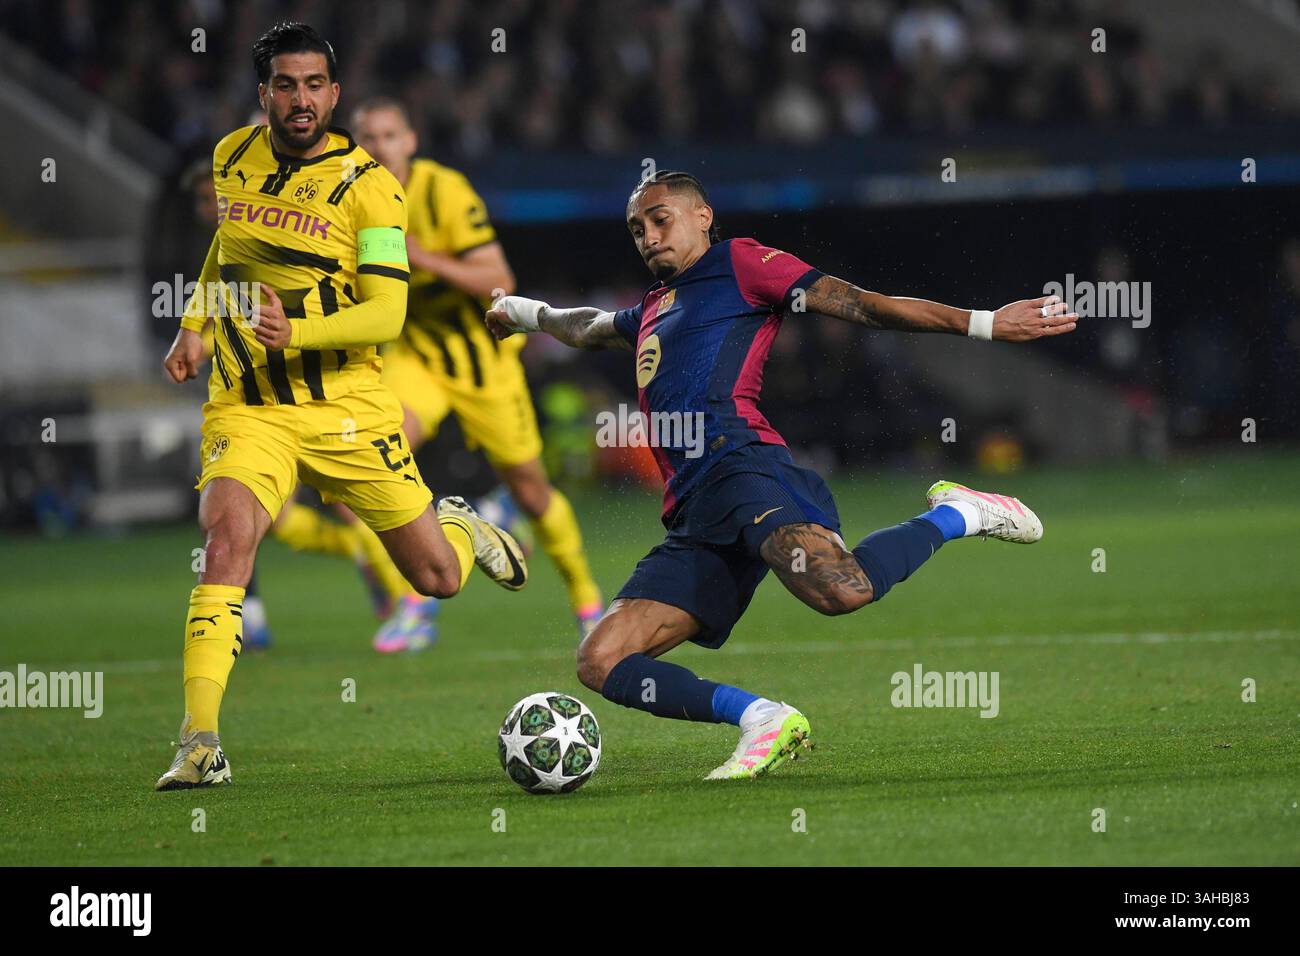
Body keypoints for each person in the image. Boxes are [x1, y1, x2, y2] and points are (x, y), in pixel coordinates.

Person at [486, 170, 1078, 780]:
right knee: (602, 659)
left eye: (661, 219)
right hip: (694, 509)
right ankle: (764, 719)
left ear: (703, 217)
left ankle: (958, 513)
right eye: (637, 228)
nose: (648, 236)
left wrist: (983, 322)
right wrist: (521, 311)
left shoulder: (741, 265)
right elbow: (584, 326)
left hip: (743, 467)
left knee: (840, 591)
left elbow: (861, 304)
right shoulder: (654, 309)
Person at [154, 22, 527, 791]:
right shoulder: (231, 157)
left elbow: (387, 314)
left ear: (334, 92)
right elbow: (227, 249)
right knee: (226, 541)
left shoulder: (371, 188)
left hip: (347, 408)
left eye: (314, 84)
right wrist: (195, 325)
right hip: (248, 403)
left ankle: (457, 522)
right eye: (285, 84)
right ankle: (199, 741)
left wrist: (299, 331)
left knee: (437, 581)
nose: (301, 99)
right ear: (263, 94)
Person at [268, 96, 604, 653]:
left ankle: (588, 602)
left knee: (531, 490)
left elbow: (498, 277)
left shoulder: (442, 190)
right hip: (412, 355)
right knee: (368, 460)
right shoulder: (347, 196)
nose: (379, 147)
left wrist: (419, 257)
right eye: (368, 136)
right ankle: (414, 604)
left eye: (390, 135)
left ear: (412, 140)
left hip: (479, 360)